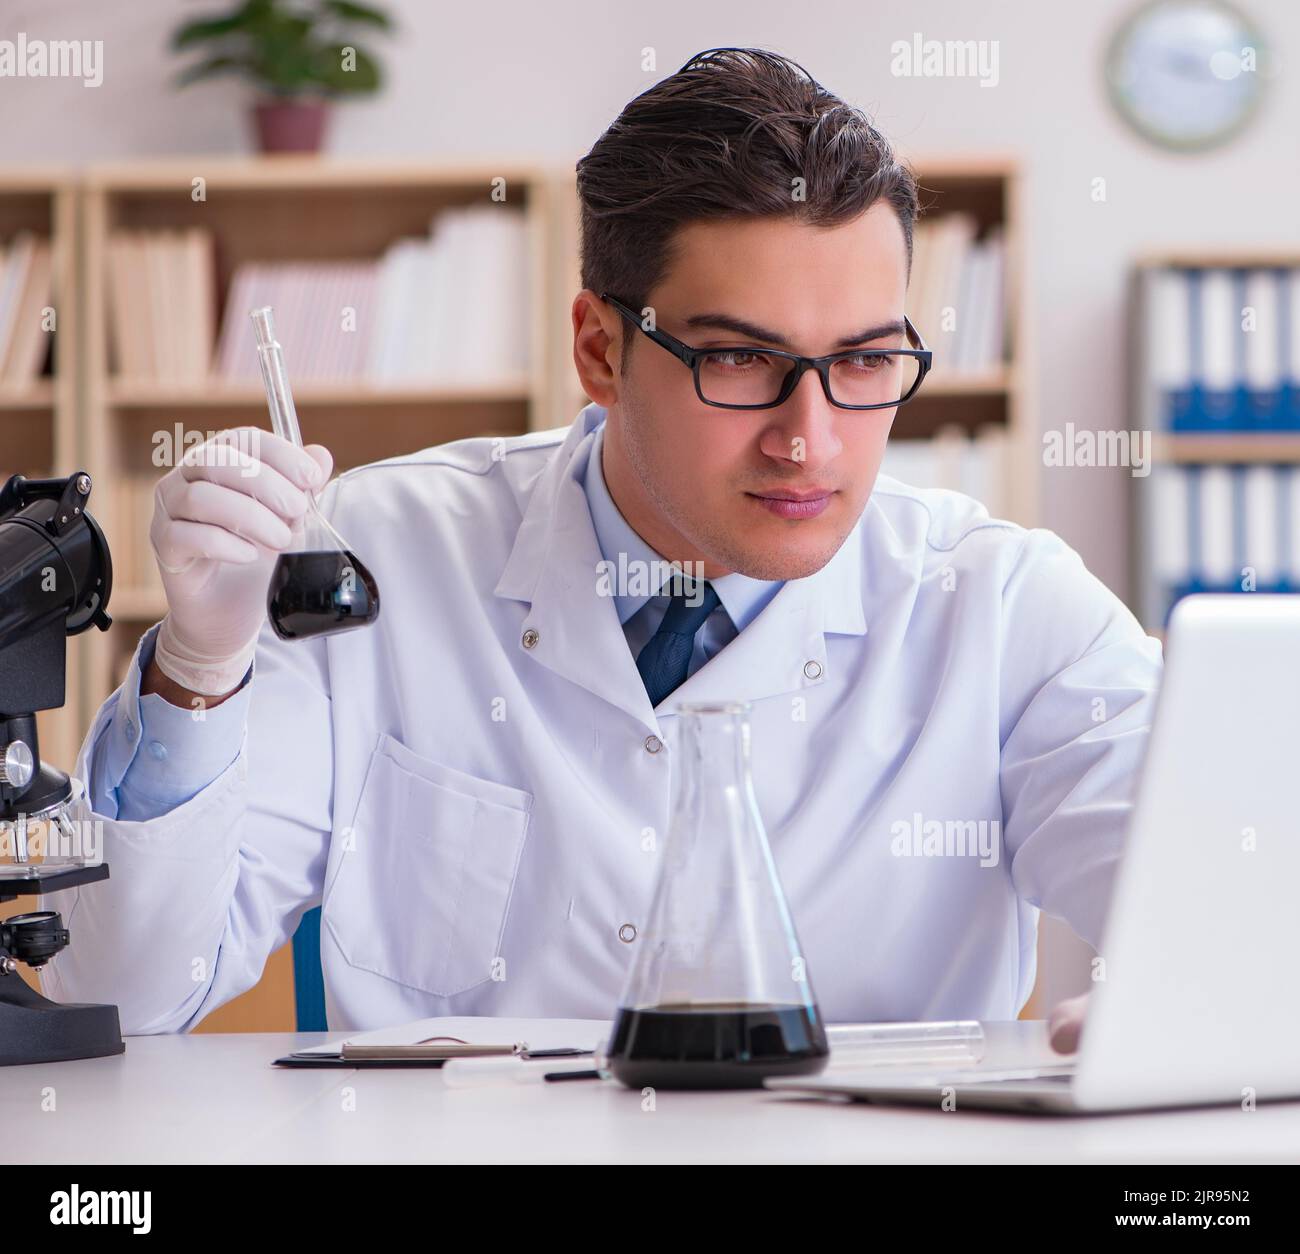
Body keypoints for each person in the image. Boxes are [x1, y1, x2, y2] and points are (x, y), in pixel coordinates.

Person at [41, 48, 1160, 1046]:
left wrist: (1186, 990)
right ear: (598, 348)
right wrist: (198, 670)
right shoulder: (377, 560)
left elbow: (1210, 896)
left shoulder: (1008, 608)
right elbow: (128, 995)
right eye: (739, 361)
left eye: (864, 363)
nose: (809, 439)